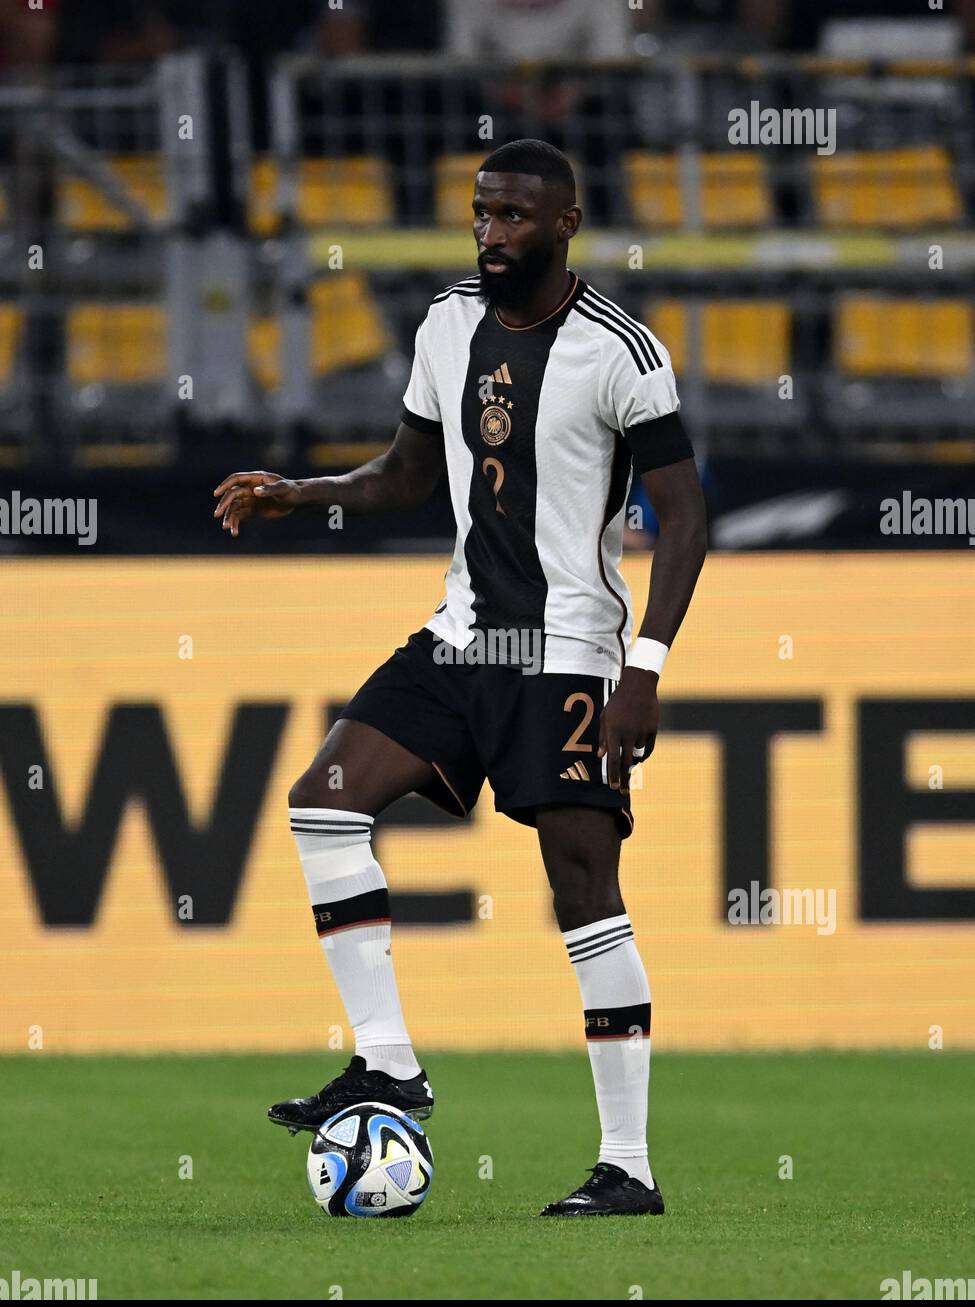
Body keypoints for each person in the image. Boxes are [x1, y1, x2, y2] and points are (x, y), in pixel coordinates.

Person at [213, 139, 707, 1217]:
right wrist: (301, 491)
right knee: (323, 804)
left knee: (585, 894)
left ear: (566, 223)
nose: (492, 233)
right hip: (463, 637)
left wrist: (645, 667)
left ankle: (628, 1164)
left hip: (567, 650)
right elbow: (403, 472)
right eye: (482, 213)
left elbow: (686, 515)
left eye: (517, 217)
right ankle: (389, 1061)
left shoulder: (623, 350)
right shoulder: (445, 324)